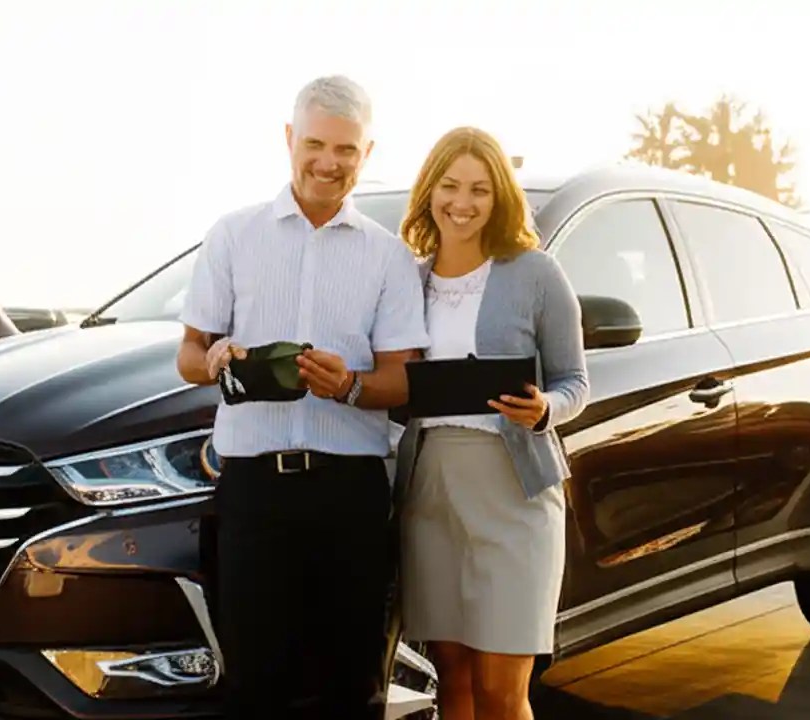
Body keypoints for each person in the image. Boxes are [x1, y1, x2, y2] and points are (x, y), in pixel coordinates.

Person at [175, 75, 431, 720]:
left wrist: (347, 386)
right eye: (315, 143)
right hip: (254, 490)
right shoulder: (233, 236)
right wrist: (214, 360)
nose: (329, 162)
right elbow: (188, 359)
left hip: (351, 494)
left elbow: (404, 382)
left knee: (353, 684)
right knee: (256, 684)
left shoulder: (389, 256)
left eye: (346, 149)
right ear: (290, 139)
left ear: (367, 153)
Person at [395, 127, 590, 720]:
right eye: (450, 186)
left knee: (503, 691)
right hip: (431, 490)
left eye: (480, 189)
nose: (463, 202)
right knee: (451, 678)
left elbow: (574, 382)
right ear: (430, 192)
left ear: (499, 195)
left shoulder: (536, 273)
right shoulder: (411, 280)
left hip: (514, 491)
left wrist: (544, 410)